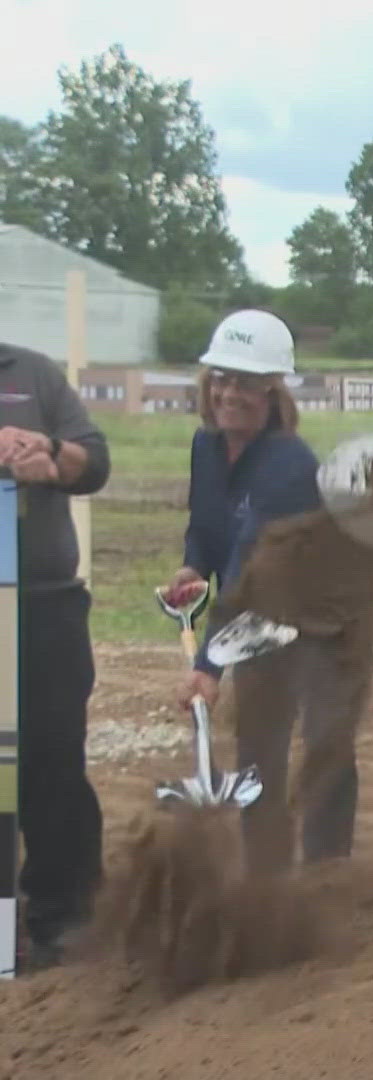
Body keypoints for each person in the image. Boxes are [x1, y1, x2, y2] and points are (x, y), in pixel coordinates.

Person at [163, 310, 373, 876]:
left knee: (325, 742)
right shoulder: (206, 447)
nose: (232, 393)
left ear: (273, 390)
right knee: (259, 743)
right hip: (264, 618)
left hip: (331, 619)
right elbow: (207, 528)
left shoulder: (287, 464)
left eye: (249, 383)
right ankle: (264, 877)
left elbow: (244, 577)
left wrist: (208, 666)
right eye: (223, 379)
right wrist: (191, 567)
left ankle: (329, 874)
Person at [0, 342, 109, 970]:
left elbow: (95, 461)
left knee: (53, 756)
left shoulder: (35, 374)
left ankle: (61, 915)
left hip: (44, 604)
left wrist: (50, 454)